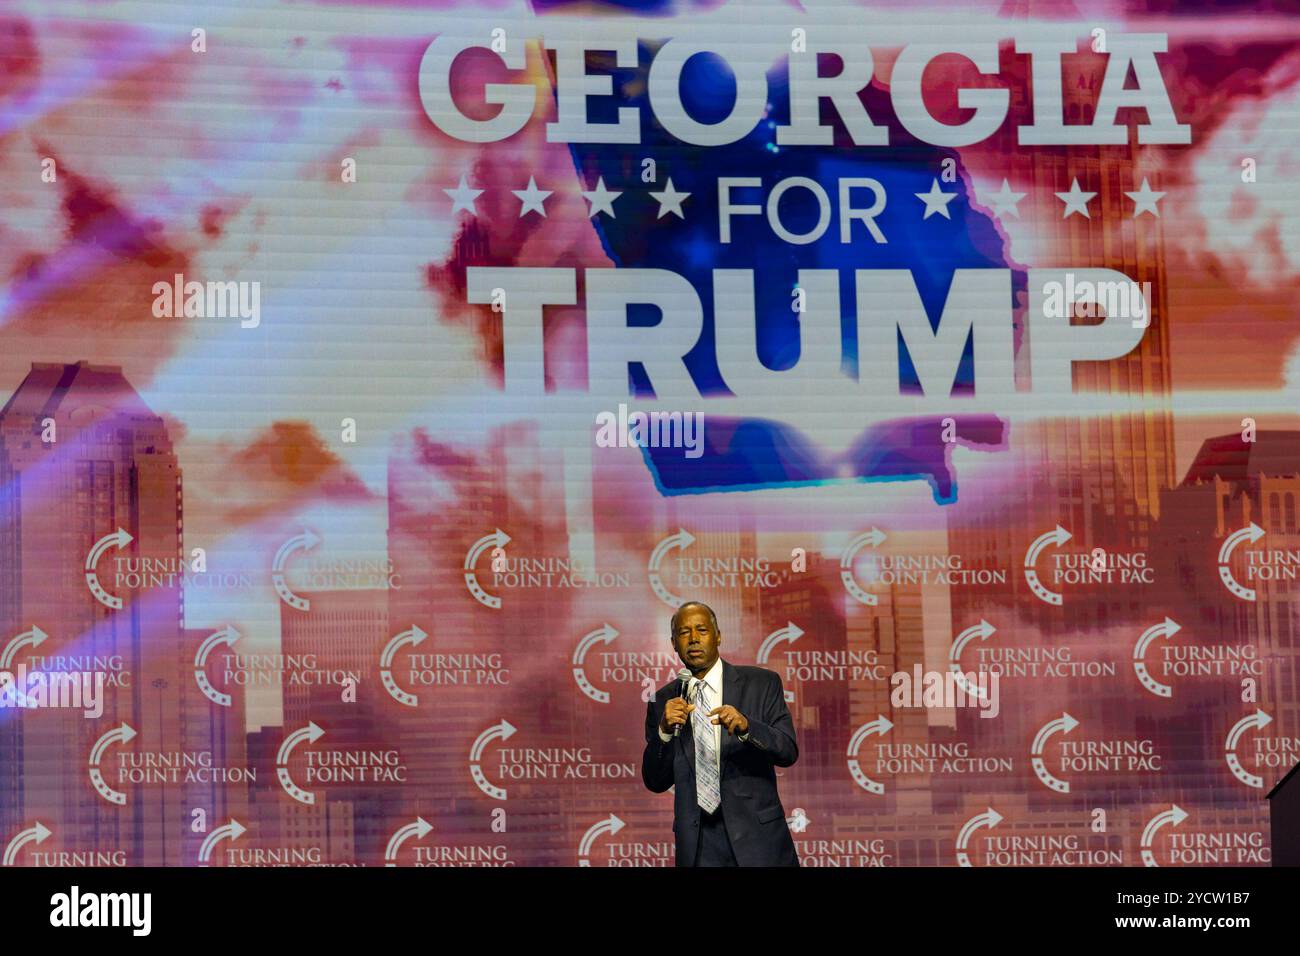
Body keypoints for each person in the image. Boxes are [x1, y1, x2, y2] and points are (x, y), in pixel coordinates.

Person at [641, 601, 800, 866]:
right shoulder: (663, 701)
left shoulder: (761, 684)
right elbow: (655, 781)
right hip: (699, 845)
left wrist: (748, 727)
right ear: (673, 643)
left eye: (702, 630)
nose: (693, 639)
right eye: (684, 632)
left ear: (718, 636)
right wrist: (664, 732)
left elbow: (787, 750)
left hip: (758, 839)